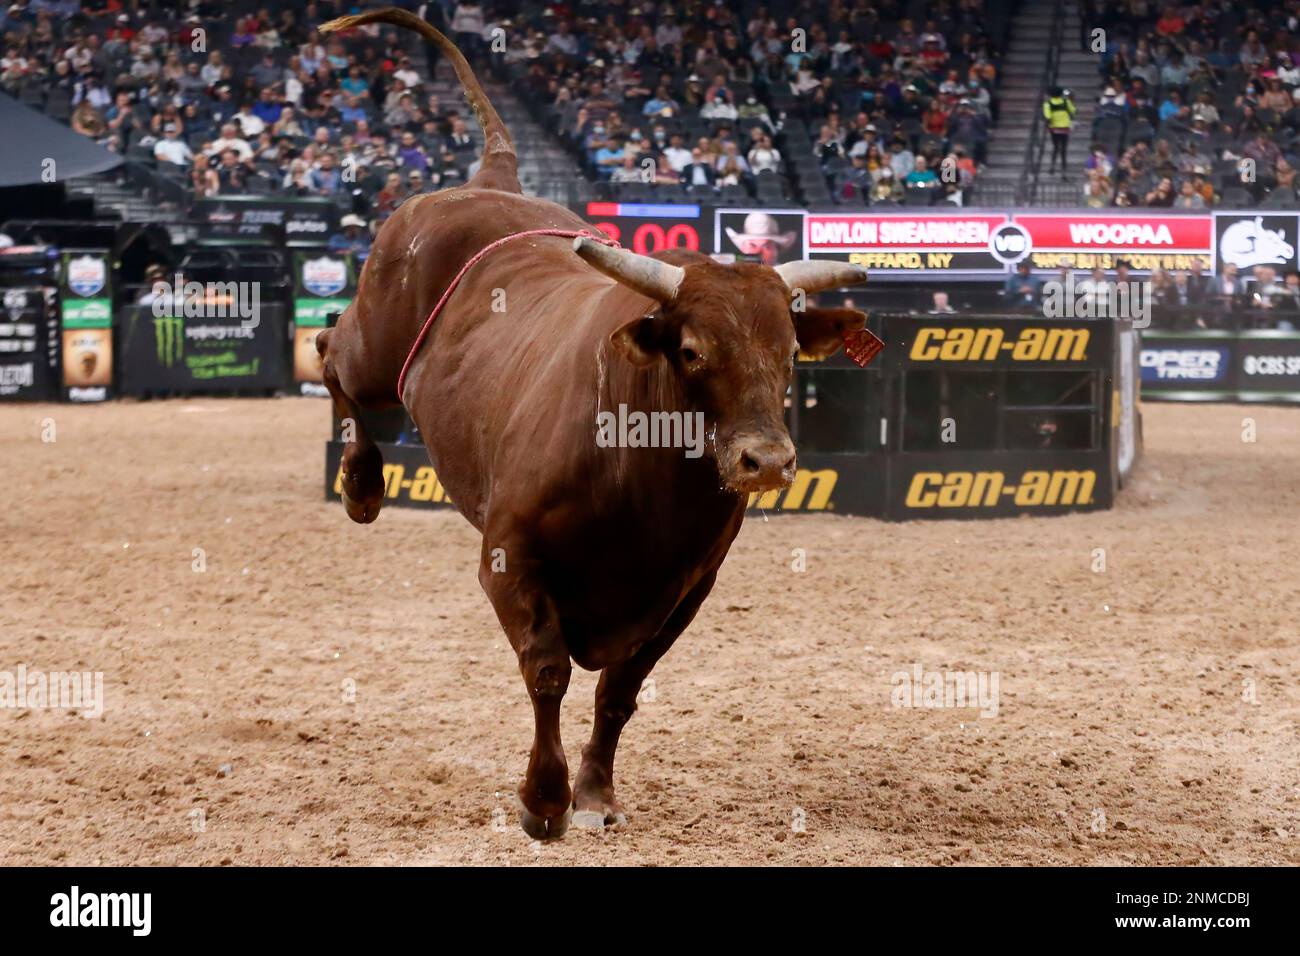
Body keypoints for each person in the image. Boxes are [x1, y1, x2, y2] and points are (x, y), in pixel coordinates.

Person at [1042, 86, 1076, 175]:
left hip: (1054, 128)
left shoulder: (1047, 104)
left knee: (1056, 147)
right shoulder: (1066, 102)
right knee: (1064, 149)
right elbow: (1073, 111)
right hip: (1065, 128)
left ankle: (1052, 167)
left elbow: (1048, 117)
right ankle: (1063, 171)